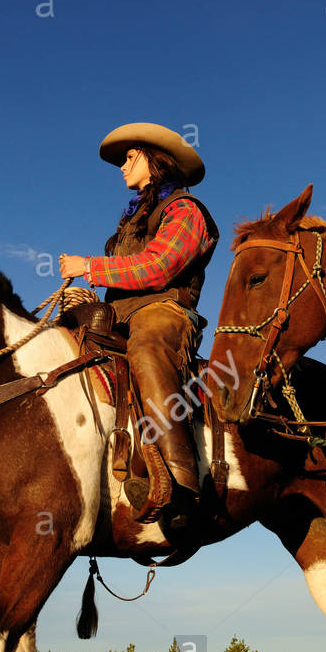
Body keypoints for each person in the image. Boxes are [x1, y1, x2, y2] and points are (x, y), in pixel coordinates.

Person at [59, 123, 218, 529]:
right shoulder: (131, 219)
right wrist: (86, 300)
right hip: (121, 316)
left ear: (156, 160)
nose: (123, 166)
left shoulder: (186, 211)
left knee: (146, 350)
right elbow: (124, 281)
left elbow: (160, 266)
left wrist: (90, 268)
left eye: (131, 157)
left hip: (164, 311)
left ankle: (181, 485)